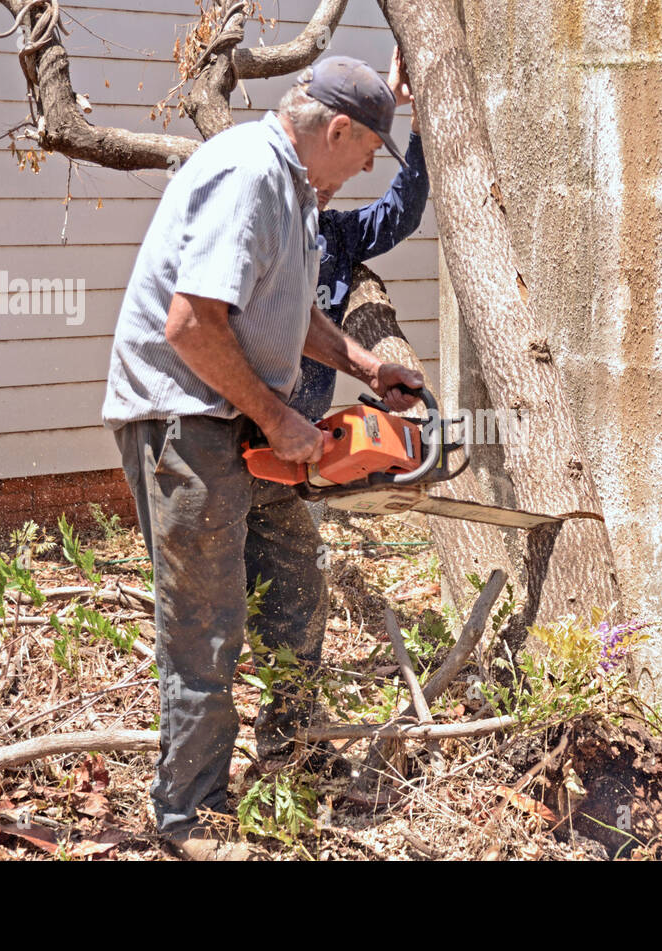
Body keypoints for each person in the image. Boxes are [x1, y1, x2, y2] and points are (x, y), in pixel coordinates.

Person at [101, 56, 424, 861]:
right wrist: (281, 418)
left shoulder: (293, 188)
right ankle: (190, 816)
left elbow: (290, 309)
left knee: (294, 587)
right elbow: (191, 326)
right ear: (338, 129)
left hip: (240, 417)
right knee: (207, 620)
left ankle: (296, 753)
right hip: (190, 419)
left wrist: (365, 366)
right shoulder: (250, 173)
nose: (367, 167)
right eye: (368, 151)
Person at [288, 46, 429, 424]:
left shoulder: (335, 236)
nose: (365, 167)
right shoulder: (266, 210)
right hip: (246, 421)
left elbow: (400, 214)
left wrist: (417, 126)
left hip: (299, 431)